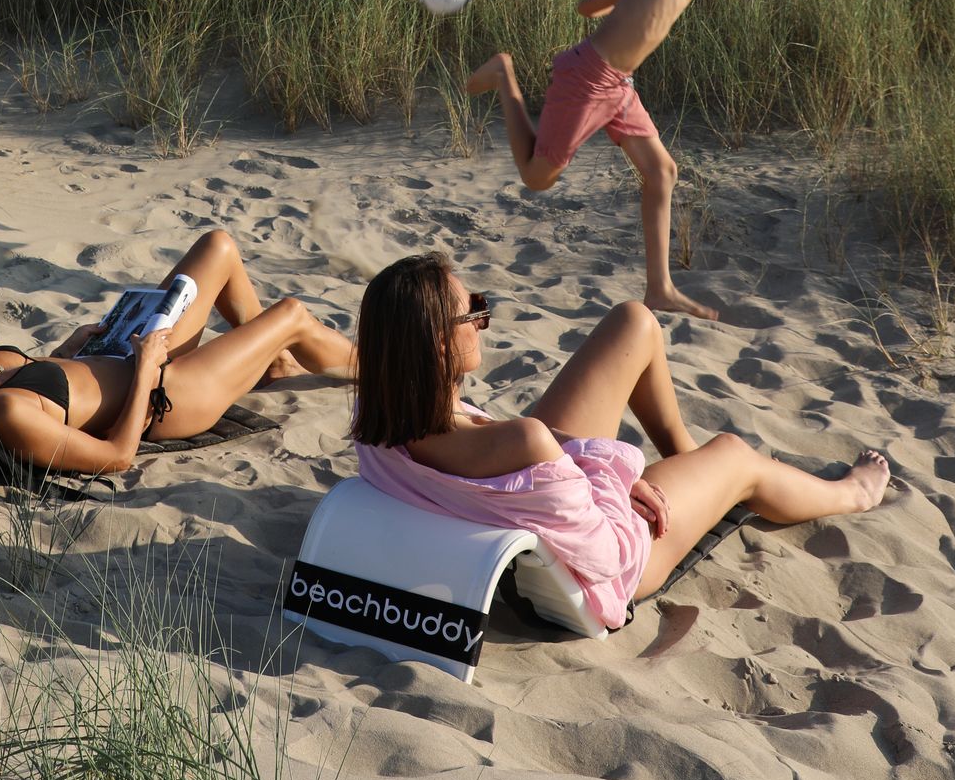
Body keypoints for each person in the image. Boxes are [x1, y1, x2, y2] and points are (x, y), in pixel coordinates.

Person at [352, 252, 890, 632]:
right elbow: (603, 552)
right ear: (442, 349)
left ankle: (686, 459)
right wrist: (619, 479)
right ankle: (852, 494)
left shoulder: (385, 416)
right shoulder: (524, 441)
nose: (484, 318)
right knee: (734, 455)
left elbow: (512, 448)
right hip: (624, 559)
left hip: (527, 499)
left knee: (634, 323)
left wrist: (574, 458)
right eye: (475, 311)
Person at [466, 0, 894, 319]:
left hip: (617, 83)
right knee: (538, 178)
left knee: (662, 172)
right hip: (589, 81)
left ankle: (660, 288)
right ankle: (504, 74)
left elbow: (586, 7)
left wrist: (629, 8)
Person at [0, 230, 354, 475]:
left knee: (218, 247)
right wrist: (144, 371)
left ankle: (275, 364)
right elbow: (117, 457)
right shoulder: (2, 412)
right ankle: (395, 371)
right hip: (168, 397)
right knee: (290, 314)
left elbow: (57, 389)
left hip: (124, 355)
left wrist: (66, 351)